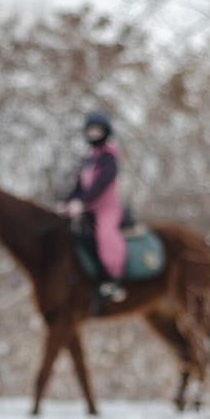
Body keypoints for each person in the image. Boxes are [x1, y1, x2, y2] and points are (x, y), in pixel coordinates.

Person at [58, 110, 126, 302]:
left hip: (107, 208)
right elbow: (79, 186)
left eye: (98, 130)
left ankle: (114, 278)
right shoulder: (88, 159)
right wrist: (67, 201)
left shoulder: (109, 157)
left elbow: (102, 183)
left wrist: (82, 202)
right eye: (91, 130)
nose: (94, 134)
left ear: (105, 131)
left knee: (105, 235)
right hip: (87, 208)